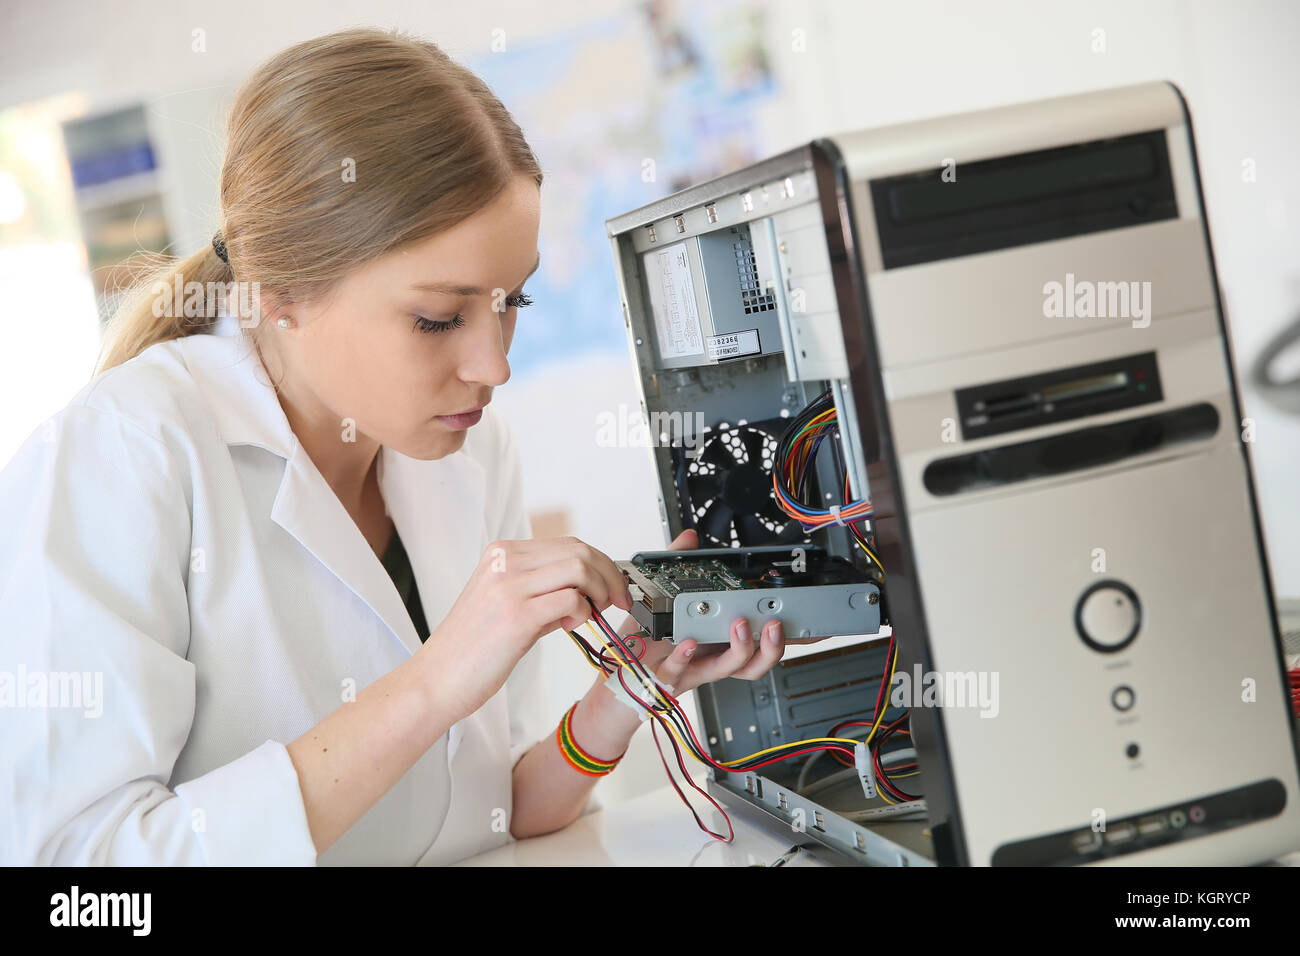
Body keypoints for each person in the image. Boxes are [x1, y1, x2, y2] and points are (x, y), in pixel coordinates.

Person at [0, 27, 796, 865]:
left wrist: (631, 692)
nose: (494, 365)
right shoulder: (122, 456)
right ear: (282, 293)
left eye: (511, 301)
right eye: (438, 319)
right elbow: (79, 880)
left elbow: (498, 811)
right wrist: (432, 682)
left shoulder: (470, 452)